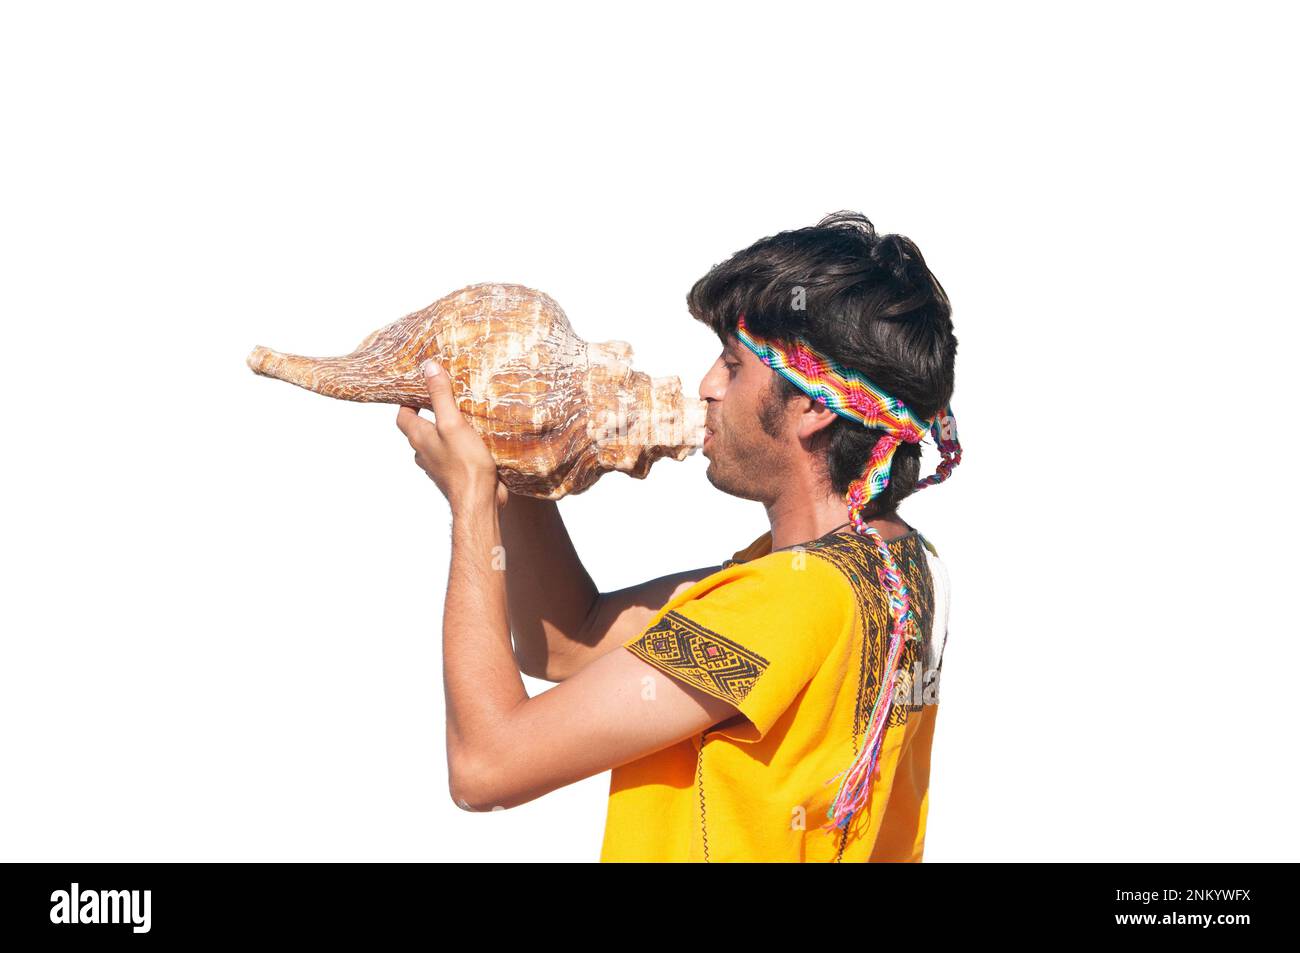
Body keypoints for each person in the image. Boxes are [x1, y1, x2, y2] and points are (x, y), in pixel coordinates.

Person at [396, 211, 961, 862]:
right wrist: (517, 447)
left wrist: (471, 506)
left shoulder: (788, 602)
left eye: (731, 364)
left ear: (812, 406)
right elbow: (568, 637)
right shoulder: (898, 562)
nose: (706, 387)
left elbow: (486, 765)